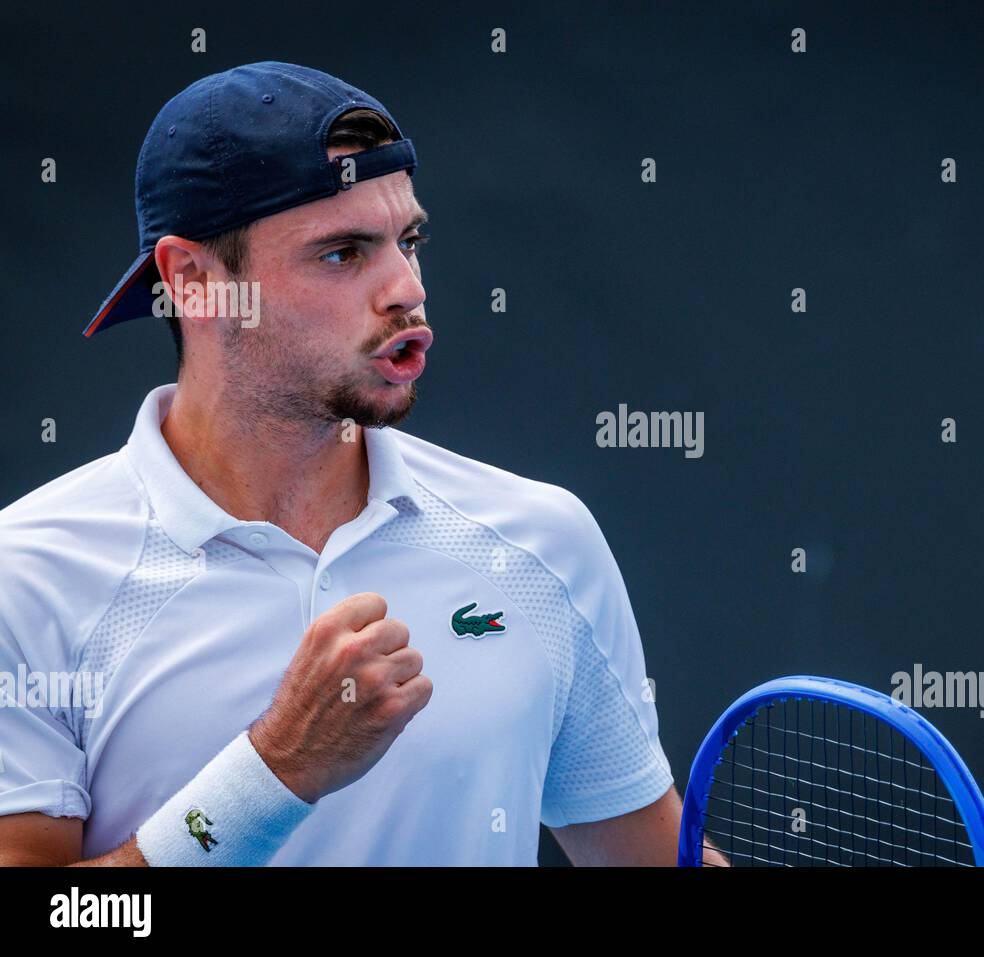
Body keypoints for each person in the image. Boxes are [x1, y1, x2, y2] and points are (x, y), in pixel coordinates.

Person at [0, 62, 684, 866]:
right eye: (342, 253)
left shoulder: (543, 542)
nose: (407, 288)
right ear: (194, 281)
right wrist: (275, 772)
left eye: (409, 240)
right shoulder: (27, 574)